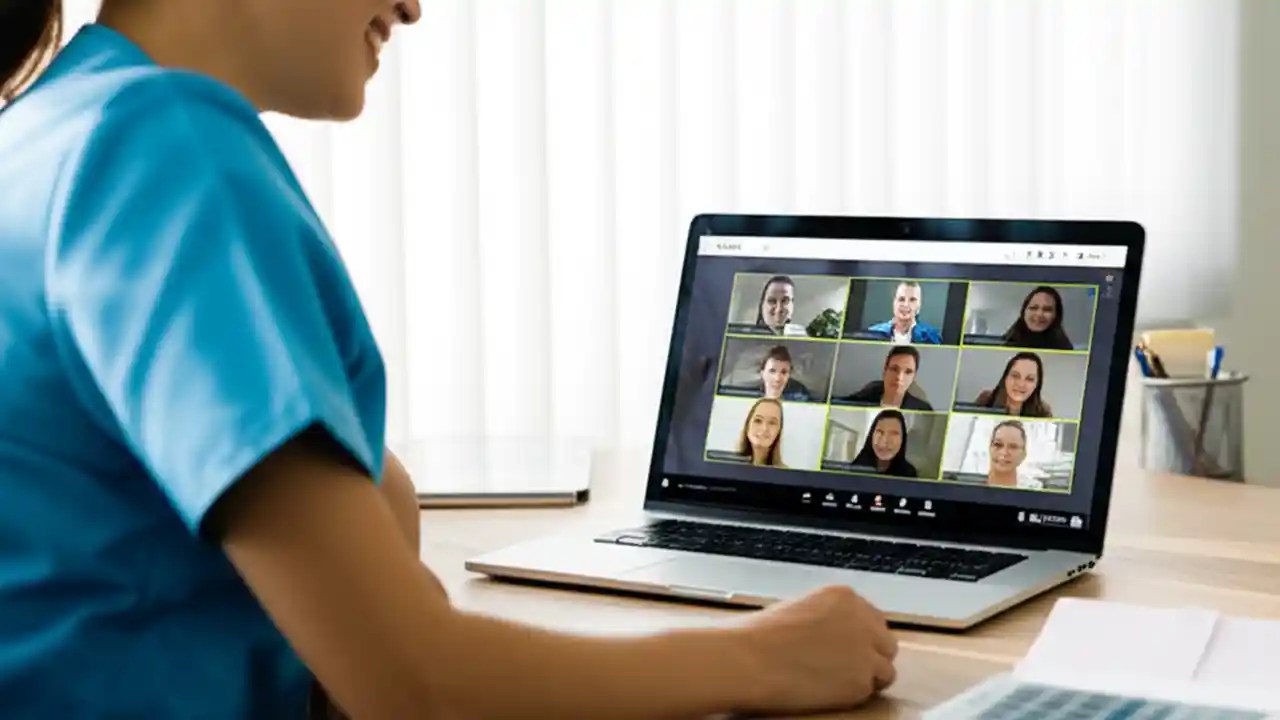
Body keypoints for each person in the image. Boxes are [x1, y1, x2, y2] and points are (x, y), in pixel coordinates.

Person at [0, 3, 897, 718]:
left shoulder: (49, 127)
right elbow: (414, 684)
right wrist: (767, 657)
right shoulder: (164, 150)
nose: (414, 6)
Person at [840, 346, 934, 411]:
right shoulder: (865, 397)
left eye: (908, 372)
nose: (899, 377)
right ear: (885, 370)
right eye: (894, 369)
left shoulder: (923, 410)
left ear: (914, 376)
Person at [974, 352, 1054, 418]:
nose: (1021, 384)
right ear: (1005, 378)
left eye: (1029, 379)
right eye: (1015, 376)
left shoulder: (1043, 412)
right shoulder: (986, 399)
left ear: (1037, 384)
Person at [864, 281, 944, 345]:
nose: (906, 305)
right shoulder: (873, 333)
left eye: (912, 300)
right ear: (894, 303)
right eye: (901, 299)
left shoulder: (931, 337)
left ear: (919, 305)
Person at [1002, 286, 1075, 350]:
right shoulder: (1005, 345)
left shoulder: (1065, 350)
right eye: (1033, 308)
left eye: (1047, 309)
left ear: (1056, 315)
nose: (1039, 314)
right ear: (1024, 312)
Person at [850, 410, 918, 478]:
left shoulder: (909, 474)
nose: (884, 441)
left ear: (903, 439)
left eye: (894, 434)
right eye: (880, 432)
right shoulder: (855, 469)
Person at [985, 421, 1044, 490]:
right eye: (998, 444)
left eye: (1013, 447)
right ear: (989, 448)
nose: (1004, 453)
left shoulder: (1034, 489)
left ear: (1024, 454)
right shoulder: (974, 483)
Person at [736, 398, 787, 467]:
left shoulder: (786, 473)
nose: (764, 428)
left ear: (779, 431)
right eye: (758, 420)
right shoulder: (727, 466)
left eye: (772, 423)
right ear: (747, 425)